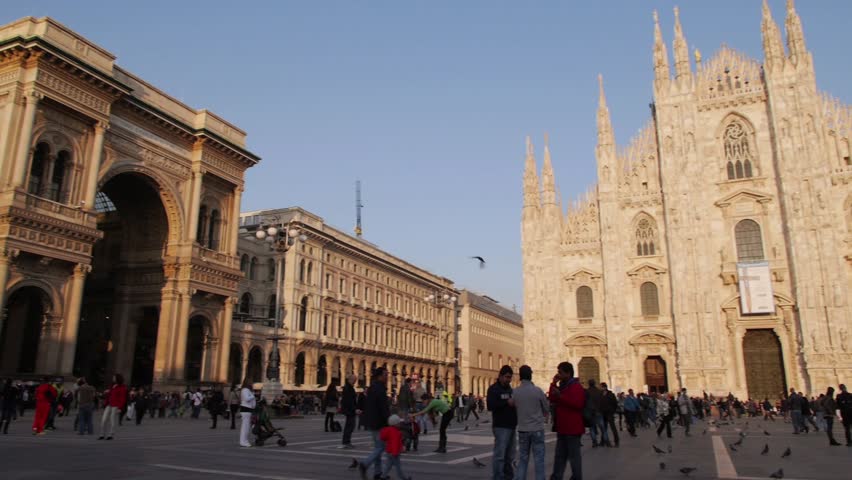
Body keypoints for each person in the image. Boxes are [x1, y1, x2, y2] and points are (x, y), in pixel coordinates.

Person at [548, 362, 585, 480]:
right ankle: (556, 476)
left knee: (574, 457)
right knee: (559, 455)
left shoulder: (576, 387)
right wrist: (553, 383)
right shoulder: (562, 386)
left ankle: (576, 477)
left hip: (573, 428)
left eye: (560, 372)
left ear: (568, 373)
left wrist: (561, 396)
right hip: (562, 427)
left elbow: (578, 404)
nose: (558, 374)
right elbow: (552, 398)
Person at [512, 365, 549, 480]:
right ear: (530, 375)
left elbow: (513, 407)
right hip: (537, 429)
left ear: (520, 376)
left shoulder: (515, 392)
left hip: (523, 429)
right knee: (539, 460)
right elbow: (546, 408)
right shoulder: (537, 390)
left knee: (523, 459)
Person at [353, 367, 390, 480]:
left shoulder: (372, 387)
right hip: (379, 422)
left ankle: (377, 473)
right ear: (379, 376)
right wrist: (388, 420)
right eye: (385, 375)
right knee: (380, 447)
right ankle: (365, 464)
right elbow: (383, 407)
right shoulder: (380, 389)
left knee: (377, 447)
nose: (387, 377)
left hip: (372, 421)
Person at [488, 365, 517, 480]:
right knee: (500, 455)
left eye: (510, 377)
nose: (508, 380)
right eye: (507, 377)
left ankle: (508, 476)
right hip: (500, 426)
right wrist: (506, 403)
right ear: (500, 376)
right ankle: (498, 477)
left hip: (511, 425)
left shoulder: (510, 389)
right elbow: (490, 406)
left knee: (509, 455)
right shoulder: (494, 389)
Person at [379, 414, 410, 480]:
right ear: (395, 424)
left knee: (388, 465)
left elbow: (383, 438)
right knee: (398, 467)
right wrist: (395, 452)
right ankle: (404, 478)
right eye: (399, 423)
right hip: (394, 452)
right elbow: (395, 443)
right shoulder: (395, 432)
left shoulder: (388, 430)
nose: (400, 424)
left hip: (389, 451)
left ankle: (383, 476)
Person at [98, 374, 126, 440]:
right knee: (104, 420)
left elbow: (122, 399)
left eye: (114, 377)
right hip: (109, 404)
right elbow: (110, 395)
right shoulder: (113, 386)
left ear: (117, 378)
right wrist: (106, 400)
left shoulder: (122, 387)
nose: (113, 378)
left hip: (115, 405)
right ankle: (102, 434)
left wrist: (120, 407)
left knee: (112, 420)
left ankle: (110, 434)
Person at [585, 379, 607, 447]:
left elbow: (585, 402)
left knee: (592, 428)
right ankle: (606, 440)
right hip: (598, 411)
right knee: (602, 428)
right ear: (594, 383)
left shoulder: (586, 391)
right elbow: (602, 401)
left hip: (591, 412)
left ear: (589, 384)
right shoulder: (599, 391)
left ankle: (594, 442)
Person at [341, 374, 358, 448]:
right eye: (354, 380)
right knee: (350, 426)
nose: (355, 381)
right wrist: (354, 409)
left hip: (349, 409)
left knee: (350, 426)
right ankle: (346, 442)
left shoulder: (349, 387)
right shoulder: (348, 388)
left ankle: (346, 441)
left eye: (355, 380)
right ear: (349, 379)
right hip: (349, 410)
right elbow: (349, 400)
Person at [600, 383, 619, 447]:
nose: (600, 388)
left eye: (601, 387)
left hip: (609, 413)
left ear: (605, 387)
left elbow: (615, 403)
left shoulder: (611, 394)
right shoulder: (600, 394)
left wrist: (612, 411)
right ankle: (602, 441)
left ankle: (616, 441)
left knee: (613, 427)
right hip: (603, 413)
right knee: (603, 428)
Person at [239, 379, 256, 447]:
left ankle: (244, 440)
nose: (252, 383)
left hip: (248, 409)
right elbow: (246, 399)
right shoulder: (245, 390)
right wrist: (253, 395)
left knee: (247, 427)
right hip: (246, 409)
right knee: (245, 427)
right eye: (251, 382)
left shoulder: (248, 390)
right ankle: (243, 441)